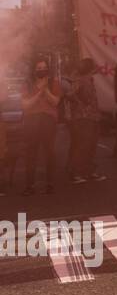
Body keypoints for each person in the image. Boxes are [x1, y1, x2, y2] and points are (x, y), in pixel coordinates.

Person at [20, 55, 61, 196]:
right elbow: (25, 105)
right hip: (32, 120)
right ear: (33, 70)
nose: (42, 70)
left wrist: (45, 90)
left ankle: (50, 184)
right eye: (39, 68)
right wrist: (39, 91)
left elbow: (56, 102)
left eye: (44, 68)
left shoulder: (54, 82)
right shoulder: (27, 84)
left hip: (48, 120)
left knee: (49, 153)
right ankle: (29, 185)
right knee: (31, 153)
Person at [67, 58, 106, 185]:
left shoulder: (88, 80)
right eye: (94, 66)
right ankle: (76, 173)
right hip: (83, 118)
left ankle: (89, 171)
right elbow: (70, 94)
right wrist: (81, 103)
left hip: (92, 117)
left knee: (91, 146)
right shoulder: (81, 80)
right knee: (82, 146)